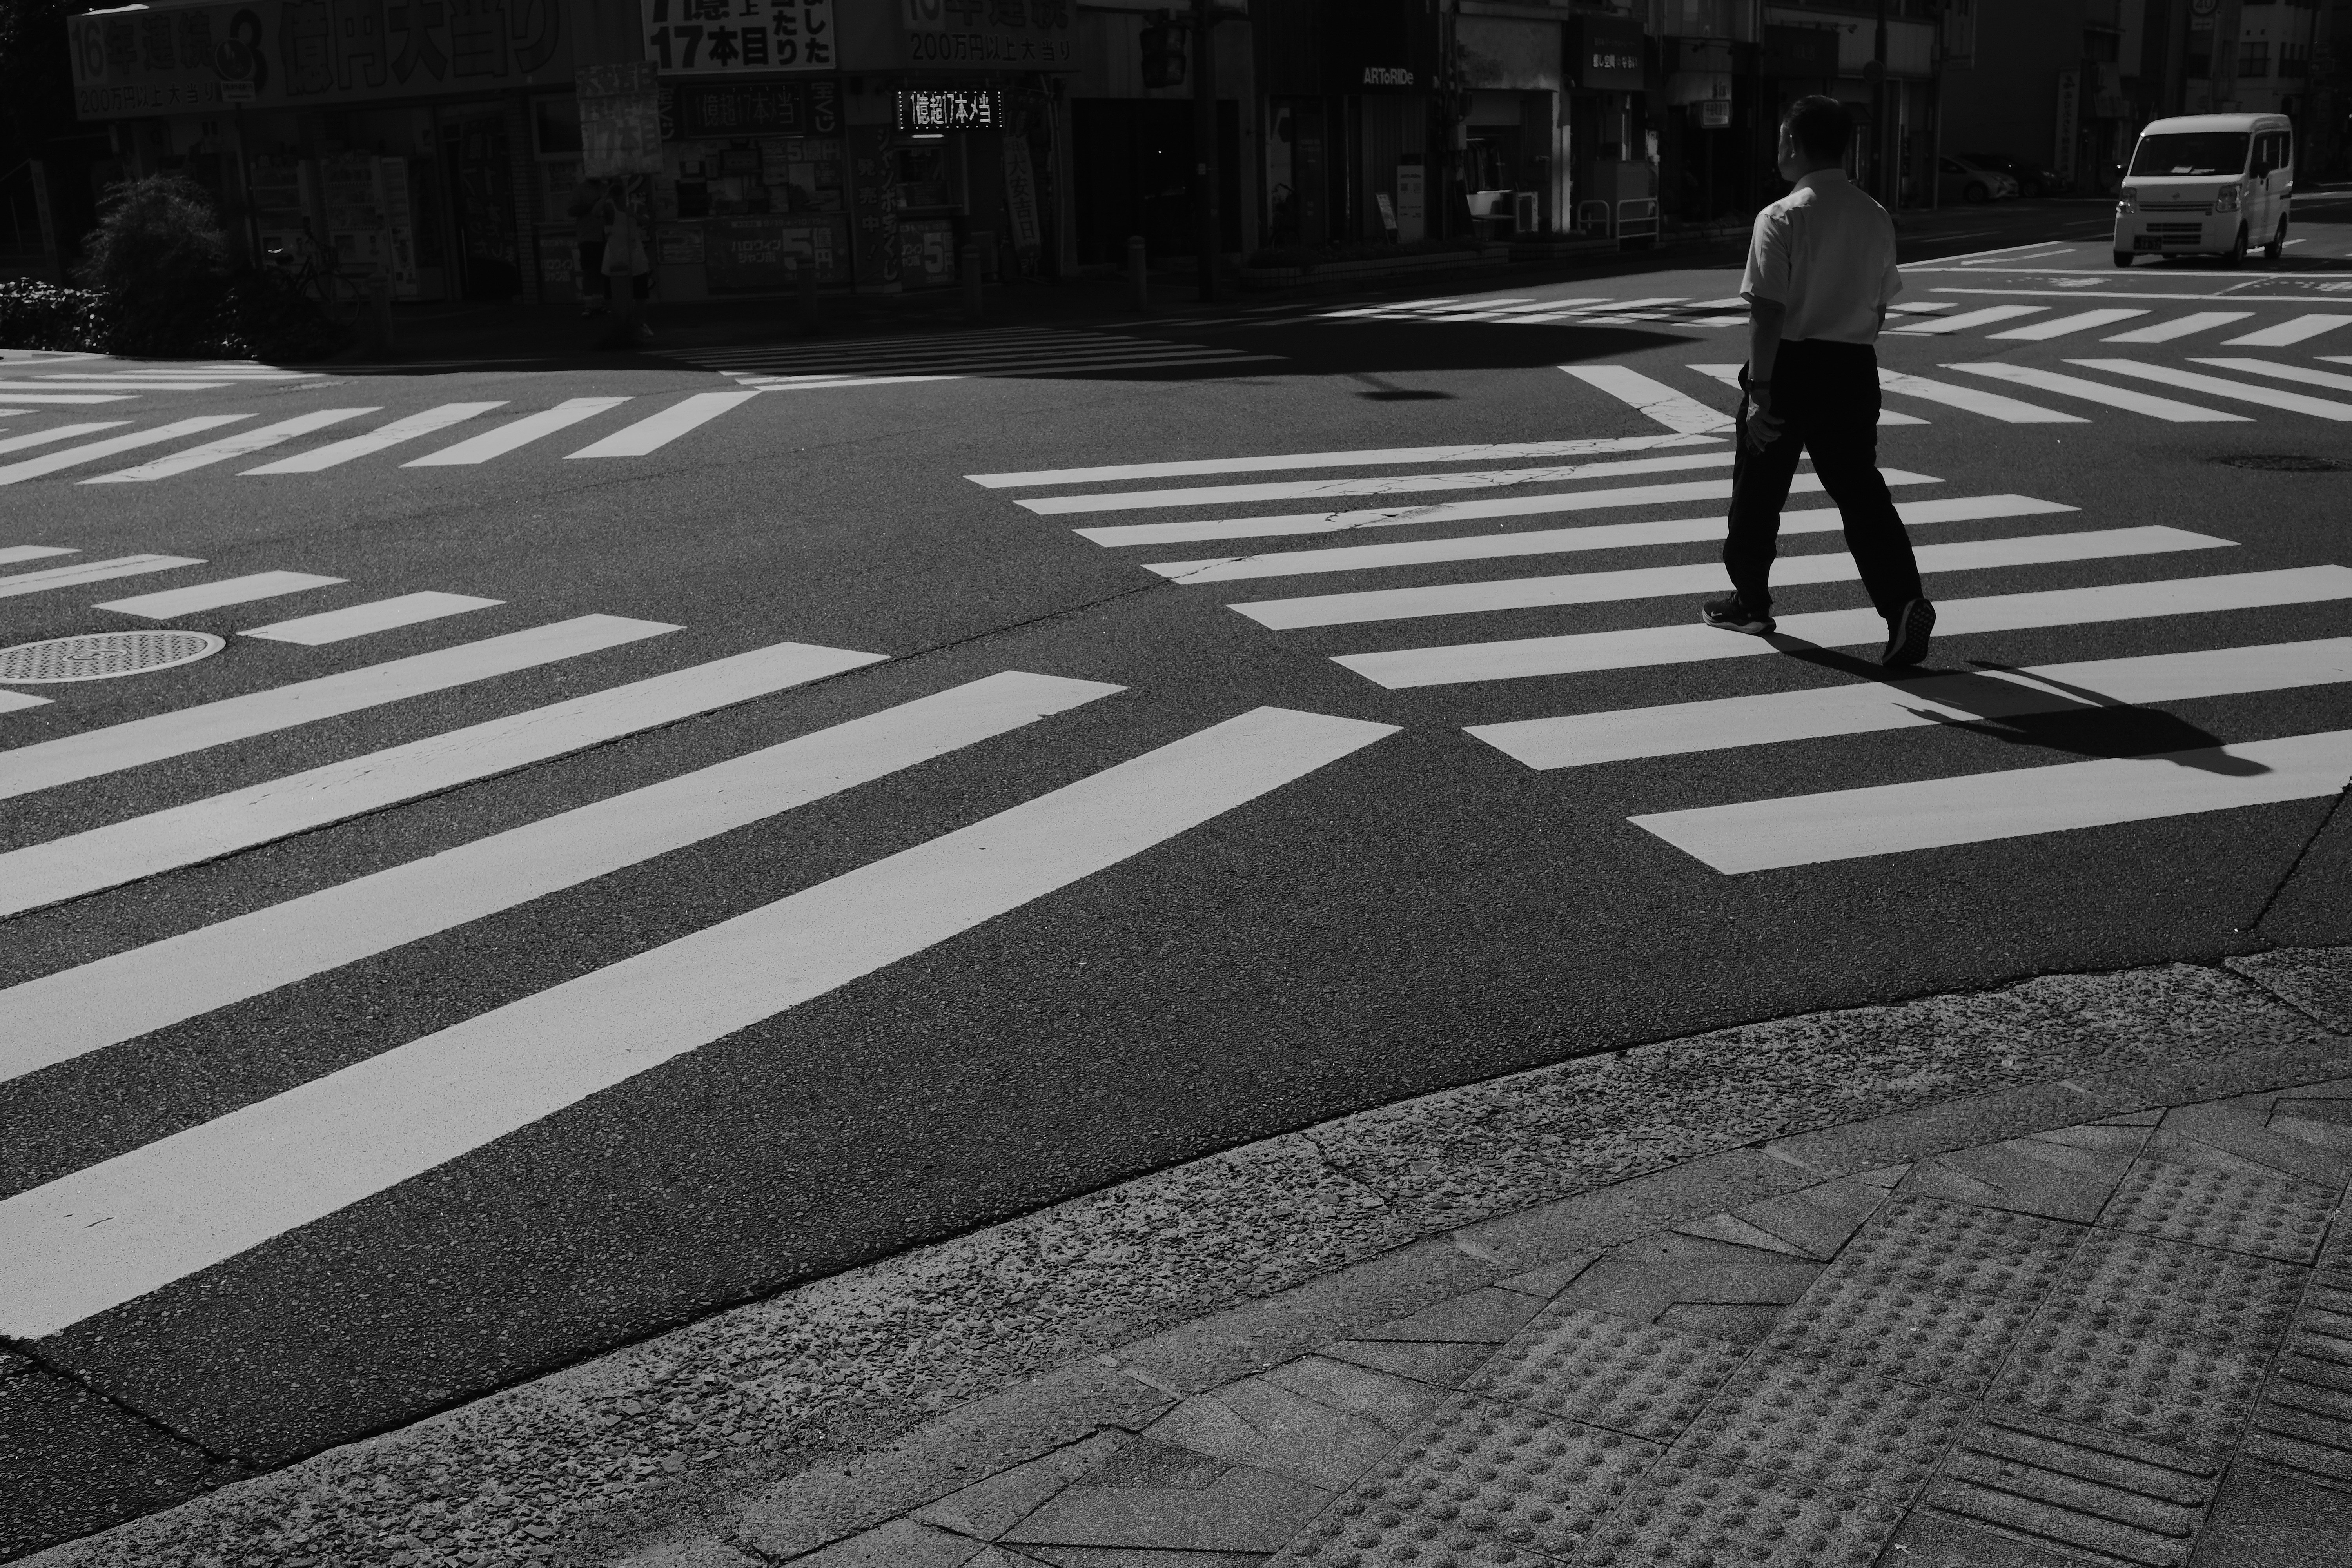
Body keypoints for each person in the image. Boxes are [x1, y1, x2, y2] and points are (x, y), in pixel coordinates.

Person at [1702, 95, 1935, 668]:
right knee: (1860, 491)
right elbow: (1880, 309)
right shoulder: (1875, 214)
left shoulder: (1782, 216)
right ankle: (1903, 601)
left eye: (1782, 136)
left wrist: (1759, 392)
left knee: (1759, 489)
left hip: (1789, 368)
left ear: (1793, 142)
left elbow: (1767, 312)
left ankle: (1750, 601)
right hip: (1853, 368)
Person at [598, 178, 654, 345]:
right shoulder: (608, 207)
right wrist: (606, 196)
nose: (617, 197)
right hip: (614, 257)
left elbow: (647, 221)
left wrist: (633, 214)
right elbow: (595, 213)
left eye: (619, 192)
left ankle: (640, 324)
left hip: (635, 256)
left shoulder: (636, 205)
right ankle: (619, 323)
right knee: (612, 294)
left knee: (640, 294)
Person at [566, 175, 609, 318]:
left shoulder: (606, 188)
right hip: (588, 236)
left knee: (602, 272)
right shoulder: (580, 190)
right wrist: (594, 205)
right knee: (590, 271)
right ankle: (589, 305)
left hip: (606, 236)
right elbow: (572, 211)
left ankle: (599, 304)